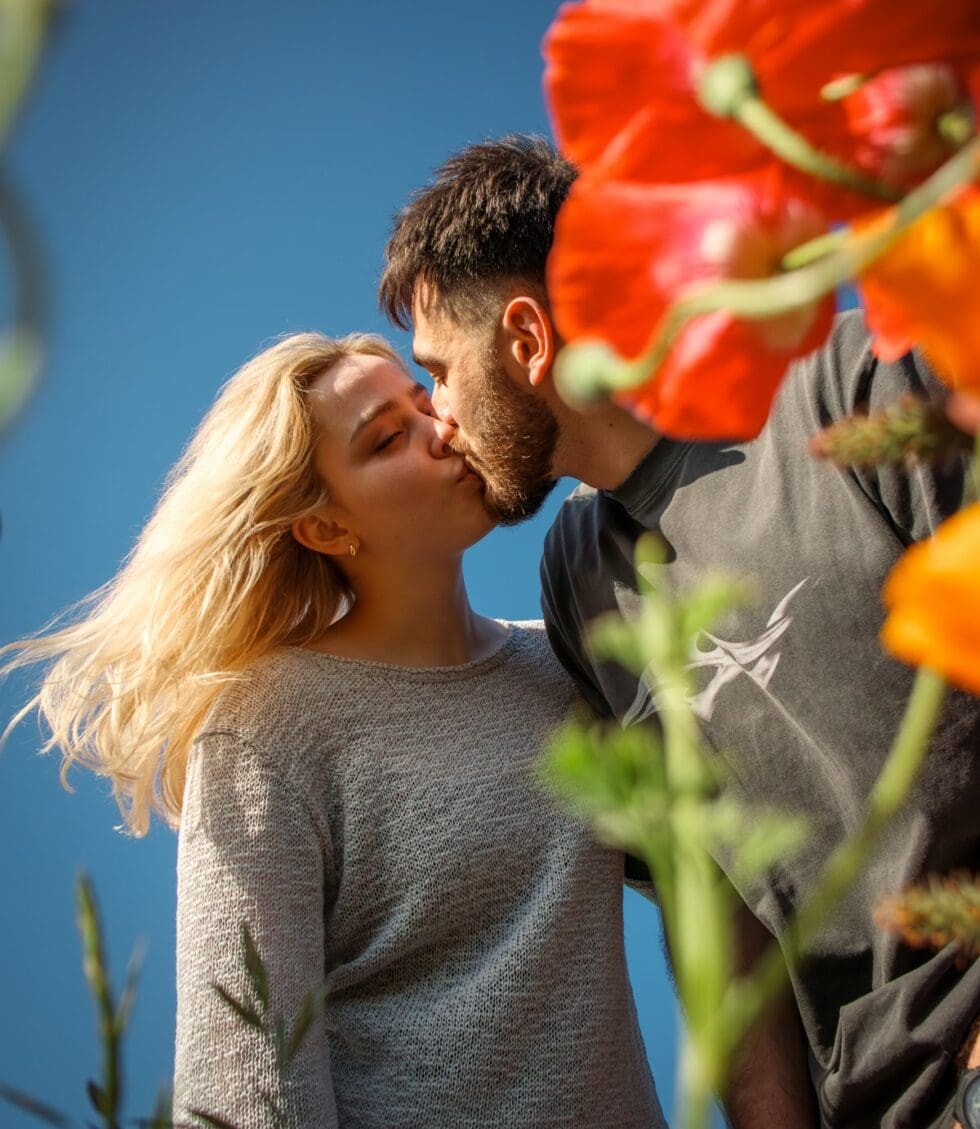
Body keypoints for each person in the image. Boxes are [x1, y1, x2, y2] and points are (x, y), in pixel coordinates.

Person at [378, 134, 980, 1129]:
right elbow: (718, 905)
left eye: (439, 372)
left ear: (527, 342)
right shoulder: (581, 577)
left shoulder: (845, 384)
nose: (437, 417)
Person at [0, 331, 664, 1129]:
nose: (443, 428)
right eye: (389, 437)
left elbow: (720, 883)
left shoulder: (568, 667)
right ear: (324, 528)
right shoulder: (267, 726)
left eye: (428, 400)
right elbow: (243, 1079)